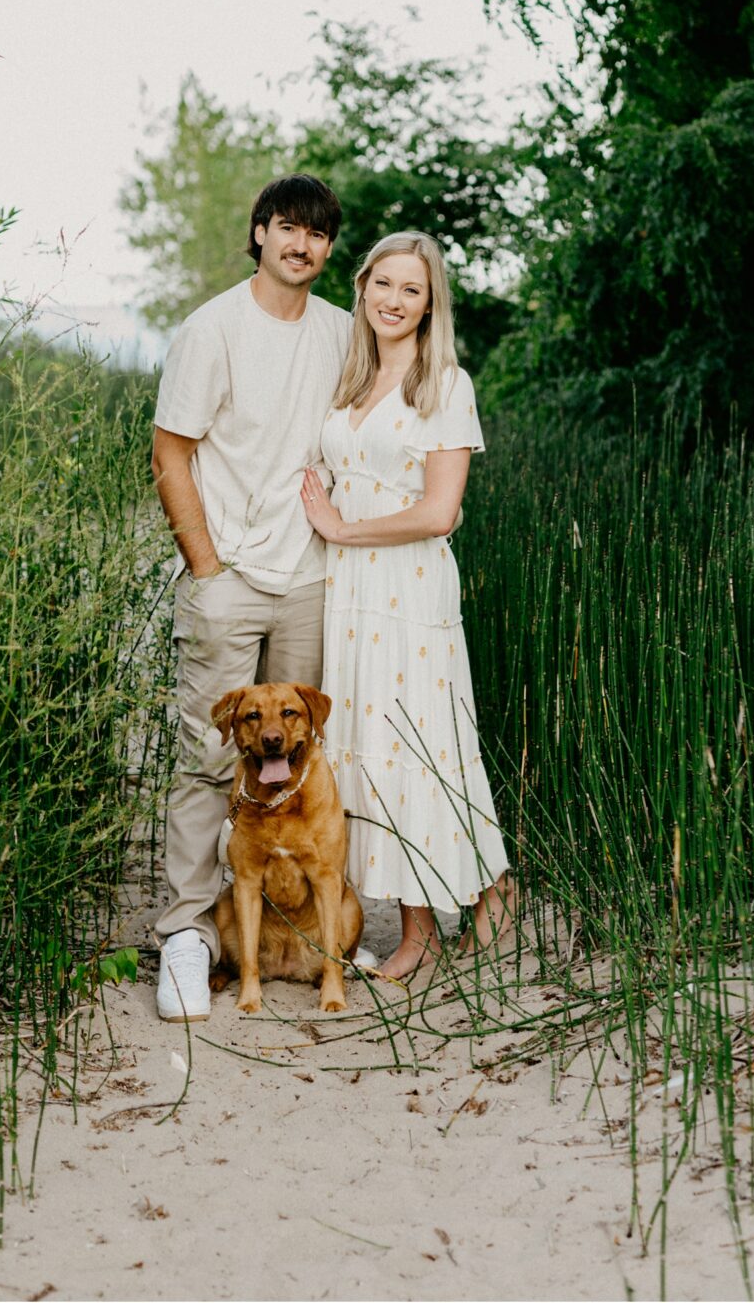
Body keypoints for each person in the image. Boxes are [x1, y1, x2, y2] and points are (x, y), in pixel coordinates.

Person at [151, 174, 350, 1021]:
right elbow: (170, 453)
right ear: (259, 232)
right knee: (208, 765)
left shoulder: (343, 333)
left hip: (309, 578)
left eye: (317, 234)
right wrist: (207, 570)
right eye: (287, 229)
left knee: (295, 764)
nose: (302, 245)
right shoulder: (213, 329)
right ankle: (186, 940)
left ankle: (303, 939)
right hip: (229, 578)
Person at [300, 232, 511, 979]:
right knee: (366, 747)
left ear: (430, 304)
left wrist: (342, 529)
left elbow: (439, 512)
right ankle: (492, 887)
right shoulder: (345, 380)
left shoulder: (444, 384)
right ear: (360, 287)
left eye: (410, 290)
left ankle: (421, 931)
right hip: (348, 593)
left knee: (416, 748)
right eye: (382, 284)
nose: (393, 300)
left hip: (408, 588)